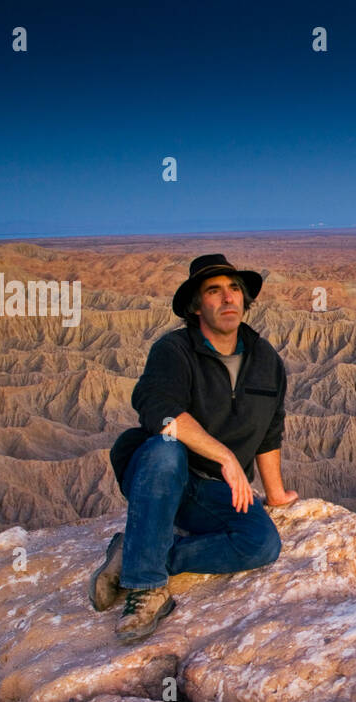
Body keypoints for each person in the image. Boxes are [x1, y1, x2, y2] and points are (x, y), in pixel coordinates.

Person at [90, 254, 298, 643]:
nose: (228, 298)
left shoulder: (266, 361)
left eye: (234, 289)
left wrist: (276, 494)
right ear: (195, 305)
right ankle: (147, 587)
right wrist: (227, 457)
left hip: (213, 488)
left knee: (262, 544)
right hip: (161, 478)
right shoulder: (174, 351)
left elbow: (271, 429)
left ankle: (139, 553)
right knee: (166, 448)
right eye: (214, 291)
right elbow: (158, 410)